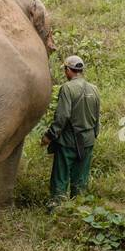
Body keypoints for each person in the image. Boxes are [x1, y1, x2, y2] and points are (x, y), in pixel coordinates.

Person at [41, 55, 101, 203]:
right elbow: (97, 117)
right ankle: (78, 209)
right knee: (81, 179)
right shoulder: (94, 89)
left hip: (68, 142)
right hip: (88, 141)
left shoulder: (67, 88)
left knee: (60, 177)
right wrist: (93, 136)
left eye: (64, 69)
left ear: (68, 70)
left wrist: (50, 135)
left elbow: (62, 116)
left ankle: (56, 207)